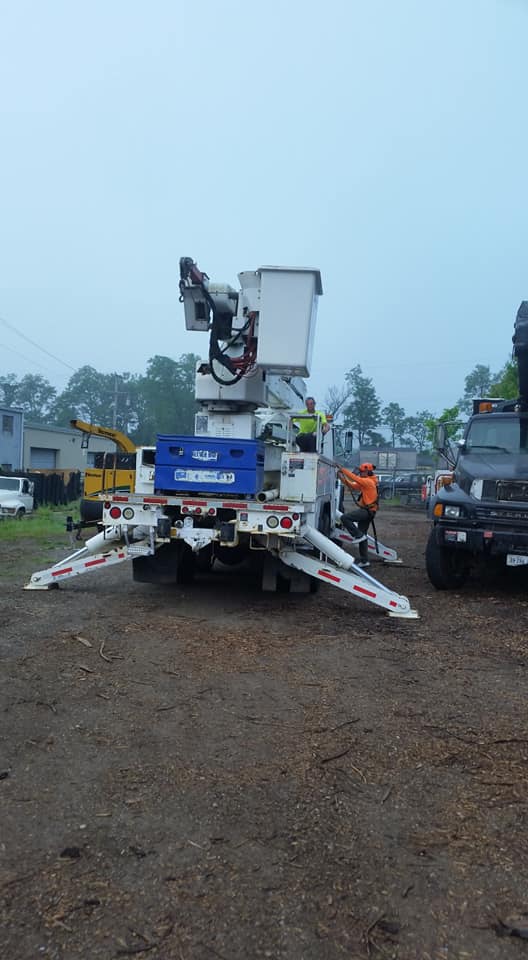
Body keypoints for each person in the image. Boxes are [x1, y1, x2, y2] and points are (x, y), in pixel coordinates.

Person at [337, 462, 379, 568]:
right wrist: (341, 478)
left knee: (345, 518)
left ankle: (358, 535)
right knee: (362, 536)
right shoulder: (367, 482)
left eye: (361, 472)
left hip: (367, 511)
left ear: (367, 472)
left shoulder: (368, 482)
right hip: (369, 511)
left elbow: (355, 479)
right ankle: (364, 561)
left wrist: (342, 469)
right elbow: (353, 485)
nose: (360, 473)